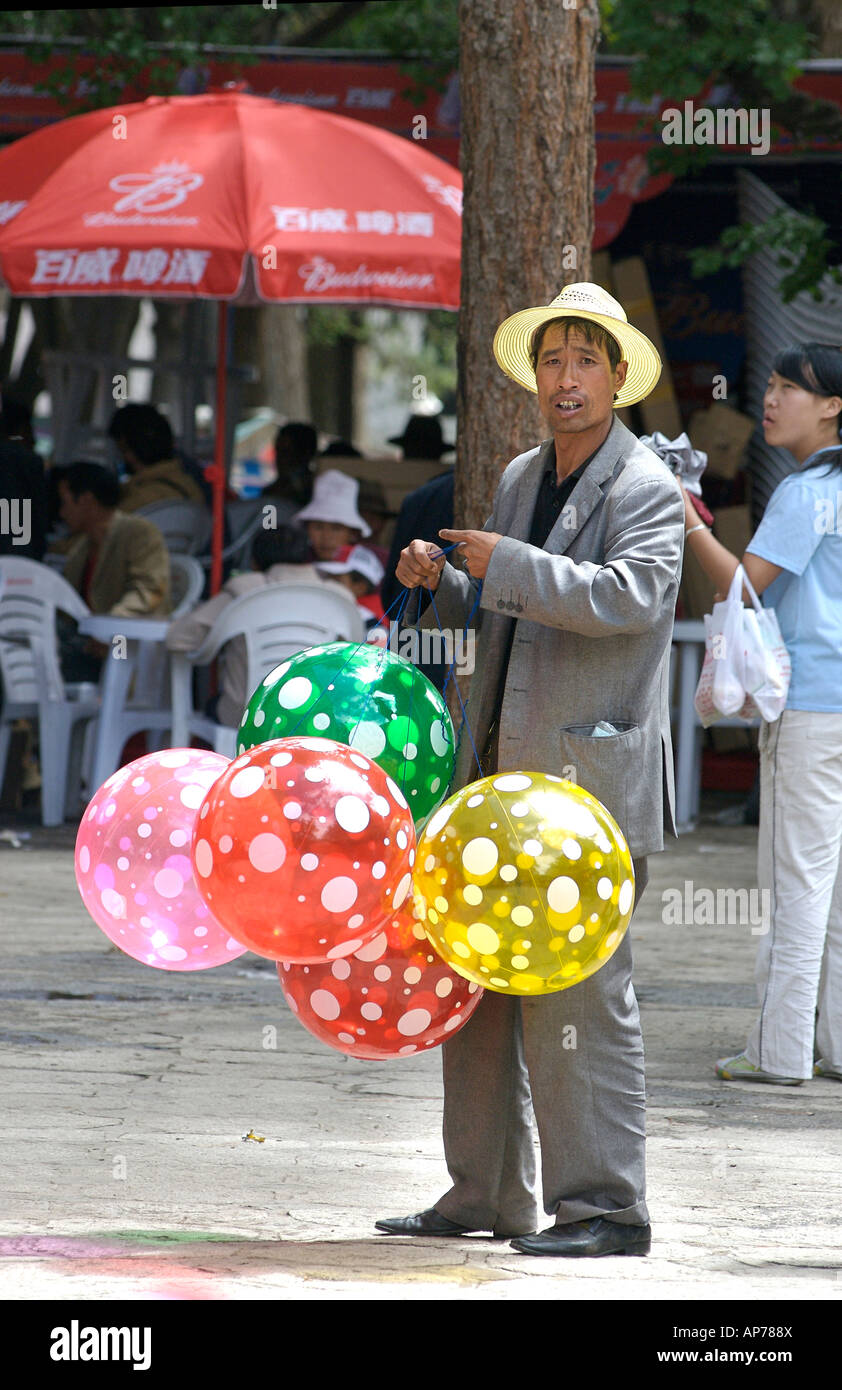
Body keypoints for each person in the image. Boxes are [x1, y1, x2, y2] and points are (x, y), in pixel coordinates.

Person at [379, 282, 685, 1258]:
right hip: (496, 787)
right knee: (474, 994)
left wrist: (500, 563)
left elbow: (626, 598)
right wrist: (449, 583)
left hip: (585, 794)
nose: (565, 378)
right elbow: (504, 603)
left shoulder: (644, 489)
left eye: (584, 360)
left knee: (579, 1007)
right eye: (551, 359)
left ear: (618, 376)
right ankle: (483, 1195)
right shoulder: (519, 475)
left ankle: (604, 1207)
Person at [678, 342, 842, 1087]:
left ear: (833, 406)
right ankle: (835, 1048)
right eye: (769, 386)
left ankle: (779, 1052)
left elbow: (741, 590)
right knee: (833, 888)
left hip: (811, 706)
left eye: (788, 389)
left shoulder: (808, 492)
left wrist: (689, 525)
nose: (770, 400)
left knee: (798, 881)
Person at [166, 524, 353, 728]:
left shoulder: (244, 590)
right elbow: (352, 659)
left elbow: (178, 638)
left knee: (211, 702)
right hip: (315, 717)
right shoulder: (340, 597)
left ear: (254, 563)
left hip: (246, 716)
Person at [54, 462, 170, 682]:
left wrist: (107, 629)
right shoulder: (81, 547)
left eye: (65, 502)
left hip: (126, 649)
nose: (61, 512)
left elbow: (149, 591)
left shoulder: (140, 533)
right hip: (92, 645)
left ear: (86, 500)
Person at [108, 403, 207, 511]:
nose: (123, 457)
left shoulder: (140, 499)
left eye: (123, 450)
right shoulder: (191, 486)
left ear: (132, 452)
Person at [292, 469, 370, 562]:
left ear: (352, 534)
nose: (326, 537)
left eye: (336, 528)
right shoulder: (294, 562)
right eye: (318, 527)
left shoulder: (370, 565)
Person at [316, 542, 385, 629]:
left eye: (336, 580)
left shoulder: (369, 619)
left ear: (360, 587)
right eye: (327, 577)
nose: (327, 584)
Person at [261, 422, 317, 511]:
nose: (279, 458)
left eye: (286, 452)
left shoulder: (317, 492)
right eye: (278, 451)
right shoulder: (270, 492)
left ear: (306, 454)